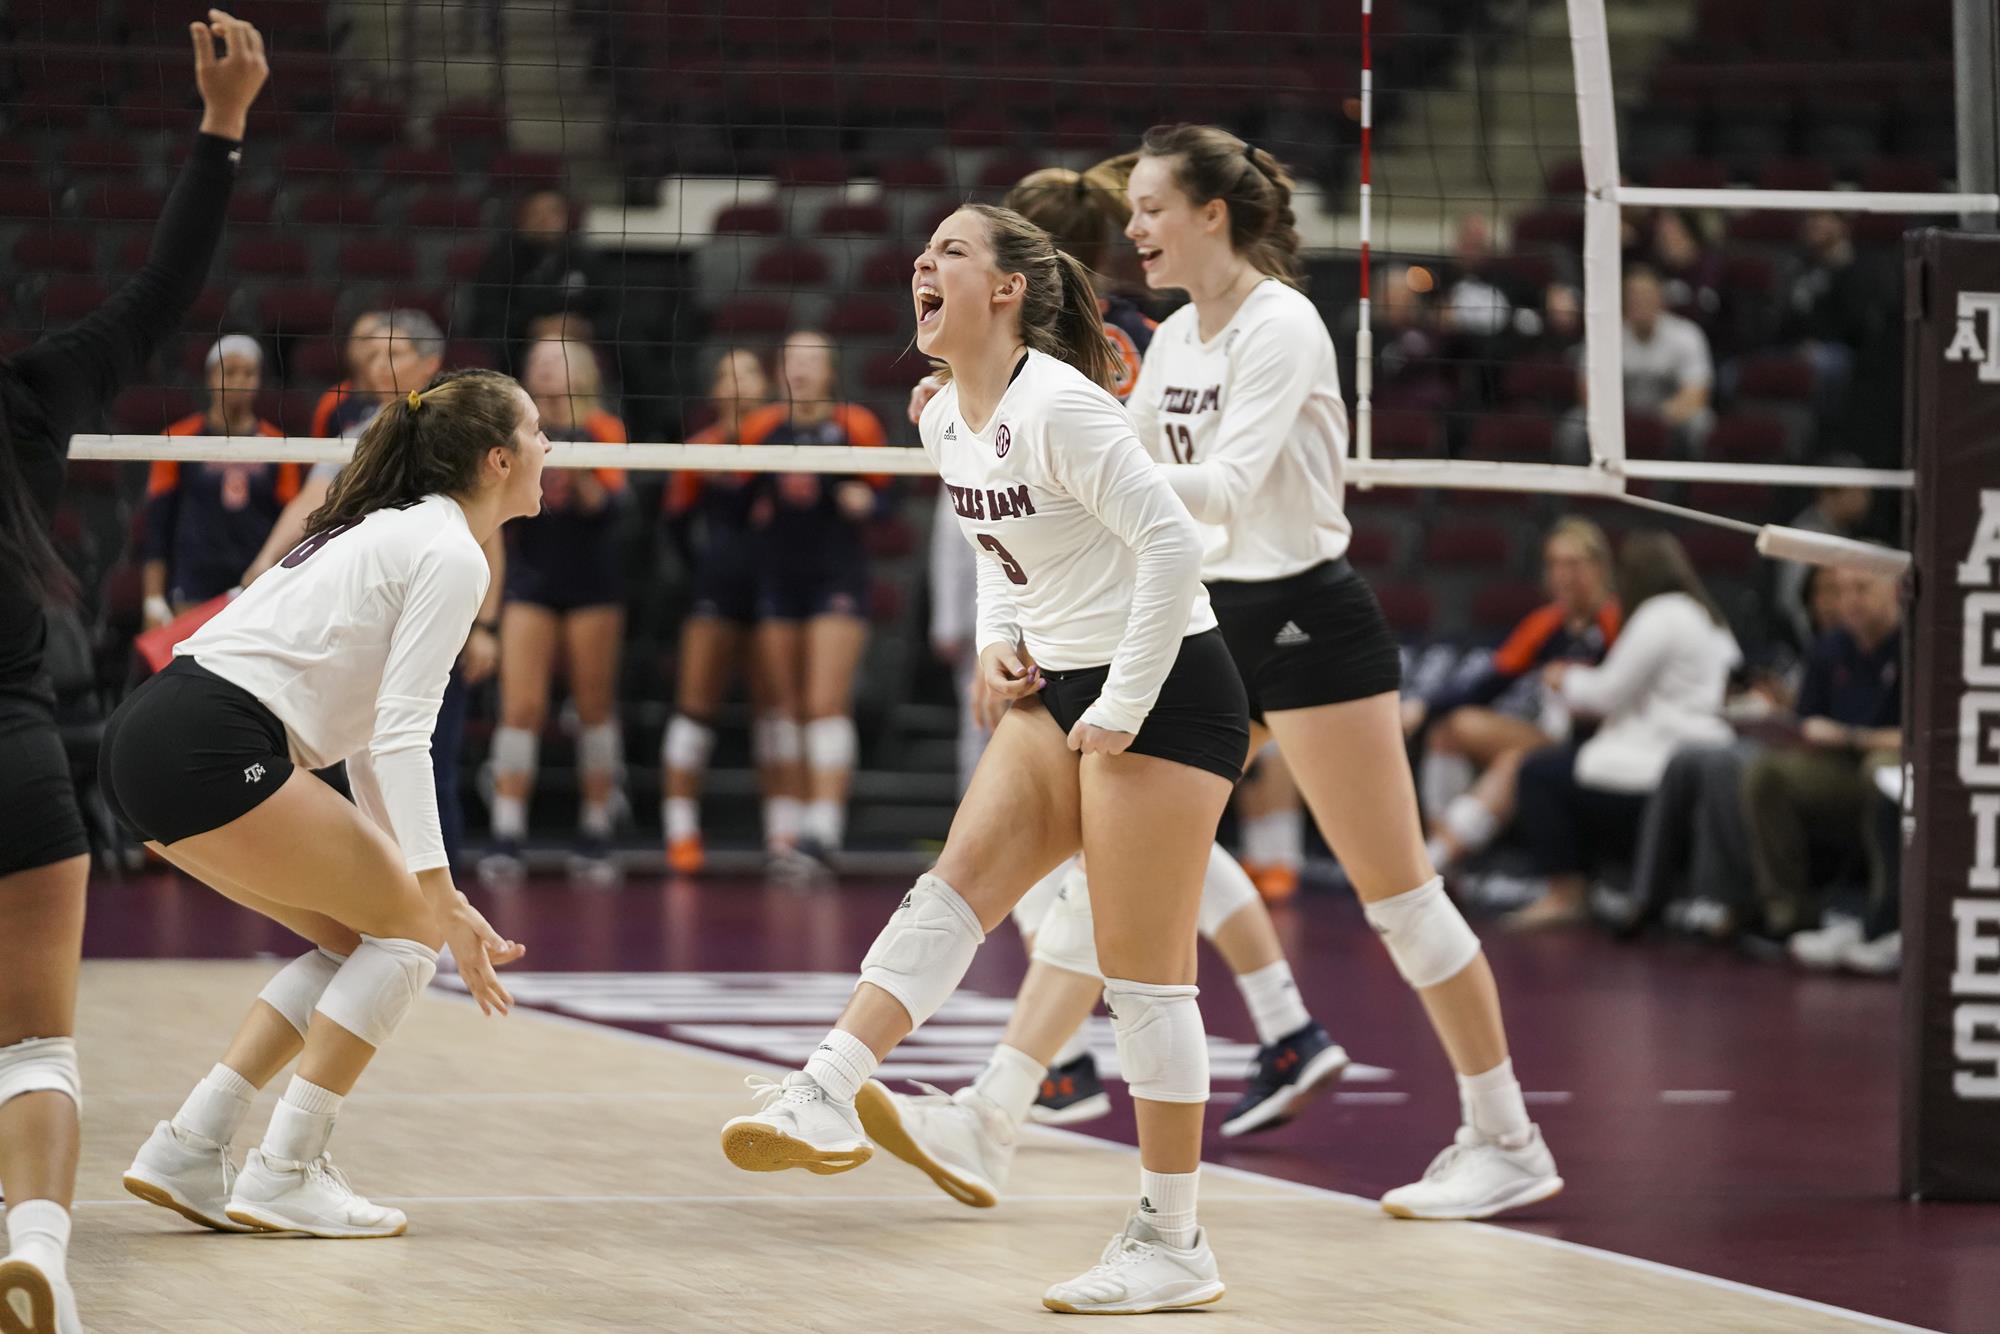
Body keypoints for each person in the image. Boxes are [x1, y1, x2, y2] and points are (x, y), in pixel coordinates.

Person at [721, 203, 1245, 1316]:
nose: (923, 262)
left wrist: (1123, 702)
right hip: (1056, 682)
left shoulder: (1059, 403)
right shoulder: (939, 418)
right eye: (921, 251)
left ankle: (1172, 1236)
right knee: (950, 888)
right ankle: (825, 1086)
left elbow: (1167, 544)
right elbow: (993, 538)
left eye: (950, 250)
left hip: (1166, 693)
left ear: (1004, 289)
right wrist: (1002, 637)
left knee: (1145, 979)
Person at [1119, 123, 1562, 1219]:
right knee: (1109, 859)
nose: (1131, 229)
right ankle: (998, 1100)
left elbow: (1216, 487)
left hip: (1305, 617)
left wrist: (1074, 460)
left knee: (1400, 899)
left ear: (1210, 214)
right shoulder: (1174, 338)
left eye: (1148, 208)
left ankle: (1503, 1133)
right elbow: (1124, 469)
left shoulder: (1281, 326)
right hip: (1211, 612)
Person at [898, 156, 1348, 1139]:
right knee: (1124, 857)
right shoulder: (1127, 340)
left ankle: (1052, 1082)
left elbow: (1157, 504)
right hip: (1119, 603)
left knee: (1120, 856)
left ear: (1020, 273)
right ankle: (1050, 1077)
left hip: (1164, 609)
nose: (937, 270)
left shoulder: (1077, 370)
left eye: (963, 250)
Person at [114, 370, 536, 1245]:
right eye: (537, 434)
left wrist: (424, 888)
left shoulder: (388, 529)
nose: (548, 450)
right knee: (408, 933)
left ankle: (189, 1146)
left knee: (361, 938)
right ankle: (286, 1171)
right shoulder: (452, 551)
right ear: (498, 459)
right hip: (212, 740)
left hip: (156, 736)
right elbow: (403, 736)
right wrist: (434, 894)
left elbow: (365, 738)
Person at [0, 17, 264, 1333]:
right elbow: (162, 293)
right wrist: (223, 123)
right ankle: (39, 1246)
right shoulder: (34, 394)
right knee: (34, 1048)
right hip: (21, 764)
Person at [1514, 532, 1741, 929]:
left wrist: (1562, 678)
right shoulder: (1706, 614)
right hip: (1697, 750)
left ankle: (1566, 891)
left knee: (1538, 772)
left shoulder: (1659, 615)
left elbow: (1607, 692)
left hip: (1659, 753)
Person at [481, 338, 629, 882]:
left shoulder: (604, 429)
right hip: (532, 580)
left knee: (594, 707)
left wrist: (578, 458)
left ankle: (596, 830)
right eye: (538, 361)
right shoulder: (513, 429)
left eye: (557, 360)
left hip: (593, 582)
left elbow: (609, 507)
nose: (546, 369)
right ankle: (507, 832)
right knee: (520, 708)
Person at [743, 331, 889, 871]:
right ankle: (783, 827)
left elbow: (888, 498)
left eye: (811, 361)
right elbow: (734, 497)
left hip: (837, 579)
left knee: (824, 704)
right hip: (779, 578)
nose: (800, 369)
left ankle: (823, 831)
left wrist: (864, 501)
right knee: (781, 709)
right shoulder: (763, 427)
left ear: (828, 370)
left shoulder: (856, 424)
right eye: (791, 360)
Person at [1410, 517, 1621, 874]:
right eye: (1553, 564)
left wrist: (1573, 682)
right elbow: (1489, 684)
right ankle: (1444, 851)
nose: (1561, 575)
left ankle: (1433, 865)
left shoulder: (1617, 620)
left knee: (1518, 763)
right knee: (1449, 727)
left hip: (1606, 739)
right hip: (1556, 733)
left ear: (1599, 567)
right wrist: (1424, 707)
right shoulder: (1548, 622)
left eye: (1573, 564)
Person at [661, 347, 783, 872]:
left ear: (764, 386)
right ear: (714, 389)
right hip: (715, 590)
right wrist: (705, 569)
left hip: (774, 590)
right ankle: (680, 831)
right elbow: (674, 526)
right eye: (727, 375)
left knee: (774, 712)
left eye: (748, 373)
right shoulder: (701, 449)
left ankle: (784, 835)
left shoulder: (782, 437)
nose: (737, 385)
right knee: (695, 709)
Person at [1744, 563, 1902, 942]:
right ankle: (1788, 911)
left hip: (1896, 768)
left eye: (1862, 588)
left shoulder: (1917, 646)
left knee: (1880, 772)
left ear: (1895, 590)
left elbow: (1923, 738)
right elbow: (1805, 724)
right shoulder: (1829, 647)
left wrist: (1850, 737)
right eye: (1841, 591)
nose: (1849, 601)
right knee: (1764, 772)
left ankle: (1885, 921)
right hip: (1839, 771)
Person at [140, 334, 294, 626]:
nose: (239, 381)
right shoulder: (178, 439)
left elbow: (290, 523)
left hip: (256, 581)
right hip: (194, 583)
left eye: (249, 373)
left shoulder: (278, 444)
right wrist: (152, 597)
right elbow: (158, 524)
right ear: (212, 377)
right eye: (230, 371)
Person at [1562, 265, 1713, 461]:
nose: (1640, 302)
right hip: (1616, 418)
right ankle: (1577, 489)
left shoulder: (1686, 335)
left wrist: (1655, 421)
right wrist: (1624, 422)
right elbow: (1588, 394)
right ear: (1624, 300)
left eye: (1647, 295)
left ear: (1661, 299)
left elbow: (1696, 395)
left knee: (1701, 422)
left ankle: (1693, 488)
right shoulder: (1605, 336)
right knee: (1573, 425)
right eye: (1634, 296)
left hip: (1669, 416)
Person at [469, 188, 615, 375]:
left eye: (553, 211)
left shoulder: (588, 260)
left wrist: (585, 328)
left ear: (566, 217)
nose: (545, 219)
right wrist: (531, 327)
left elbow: (613, 313)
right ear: (522, 219)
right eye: (536, 213)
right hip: (518, 348)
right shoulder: (502, 262)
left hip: (580, 345)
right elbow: (487, 314)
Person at [307, 310, 387, 440]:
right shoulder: (332, 402)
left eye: (380, 337)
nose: (374, 345)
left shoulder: (404, 396)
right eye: (366, 338)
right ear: (349, 347)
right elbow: (318, 453)